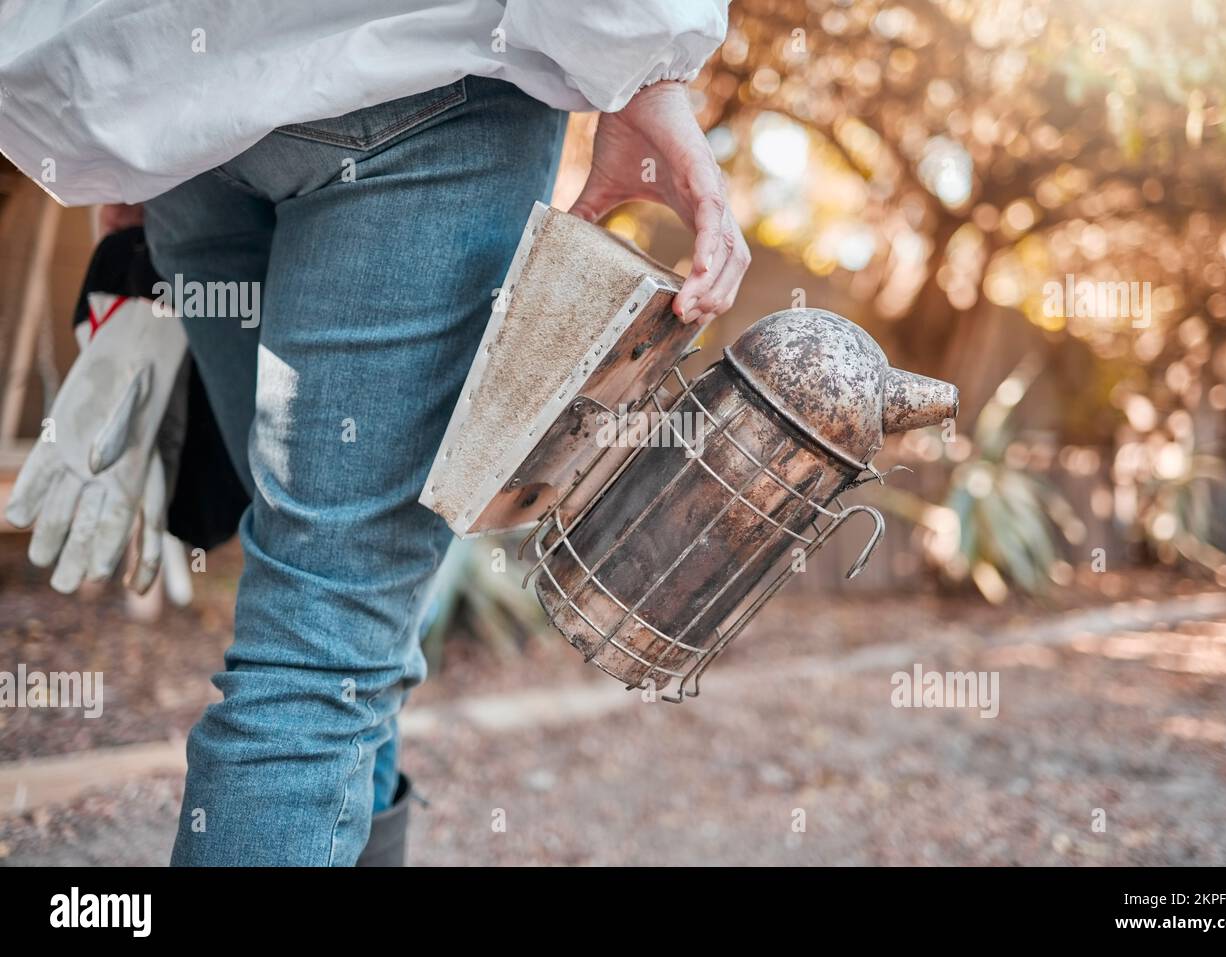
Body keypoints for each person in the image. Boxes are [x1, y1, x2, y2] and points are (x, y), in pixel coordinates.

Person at [0, 1, 750, 865]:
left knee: (342, 621)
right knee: (322, 646)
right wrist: (644, 73)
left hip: (189, 115)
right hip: (424, 93)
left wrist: (118, 139)